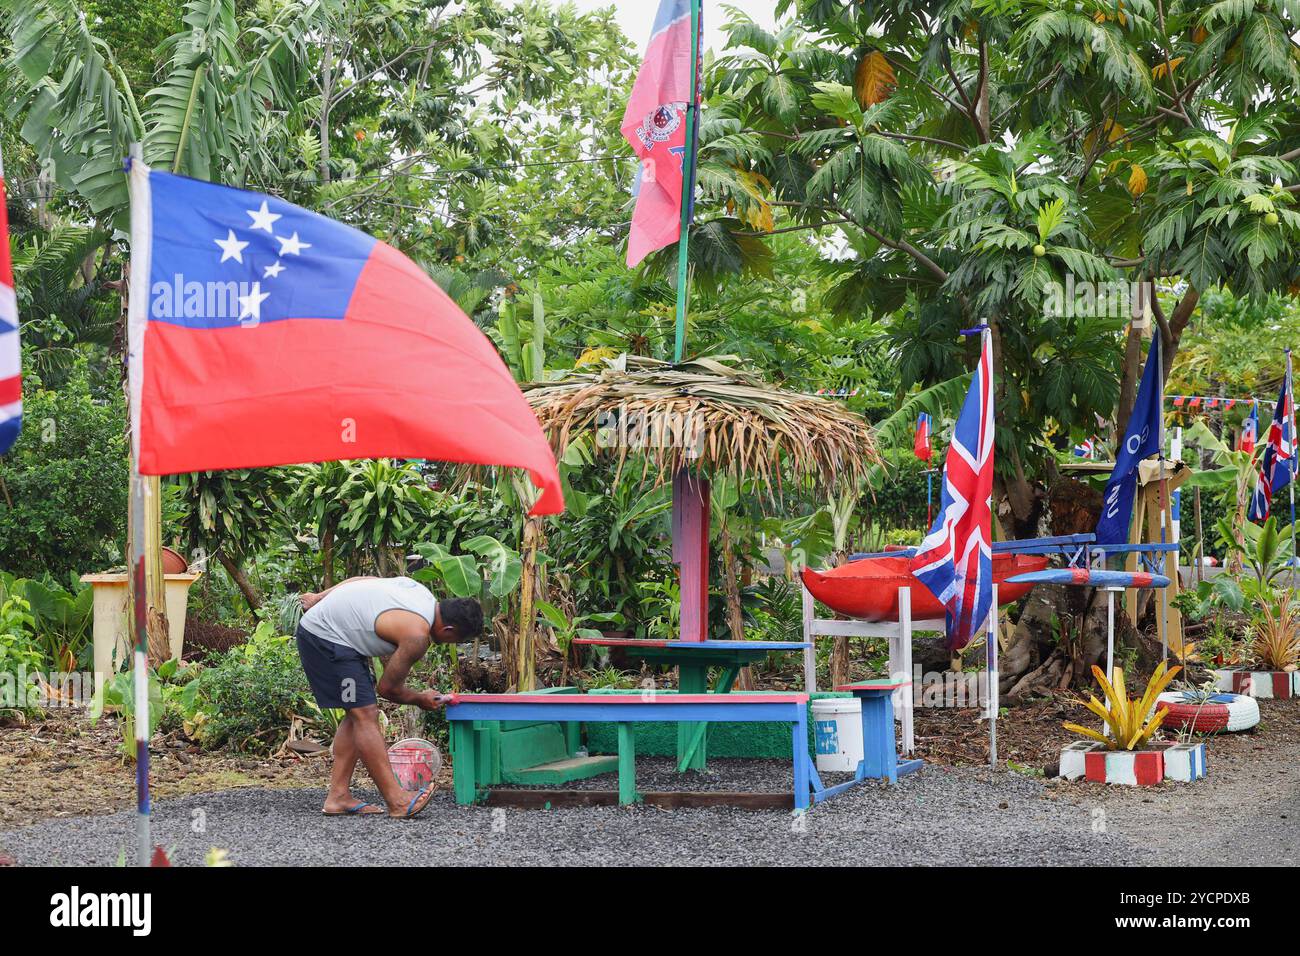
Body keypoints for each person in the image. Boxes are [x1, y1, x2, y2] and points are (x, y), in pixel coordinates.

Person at [295, 575, 483, 818]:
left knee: (357, 713)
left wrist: (319, 597)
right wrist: (420, 698)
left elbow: (364, 580)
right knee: (365, 714)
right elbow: (389, 689)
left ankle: (338, 796)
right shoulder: (417, 636)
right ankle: (397, 801)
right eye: (457, 640)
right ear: (448, 630)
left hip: (341, 639)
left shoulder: (420, 591)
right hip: (326, 639)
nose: (452, 644)